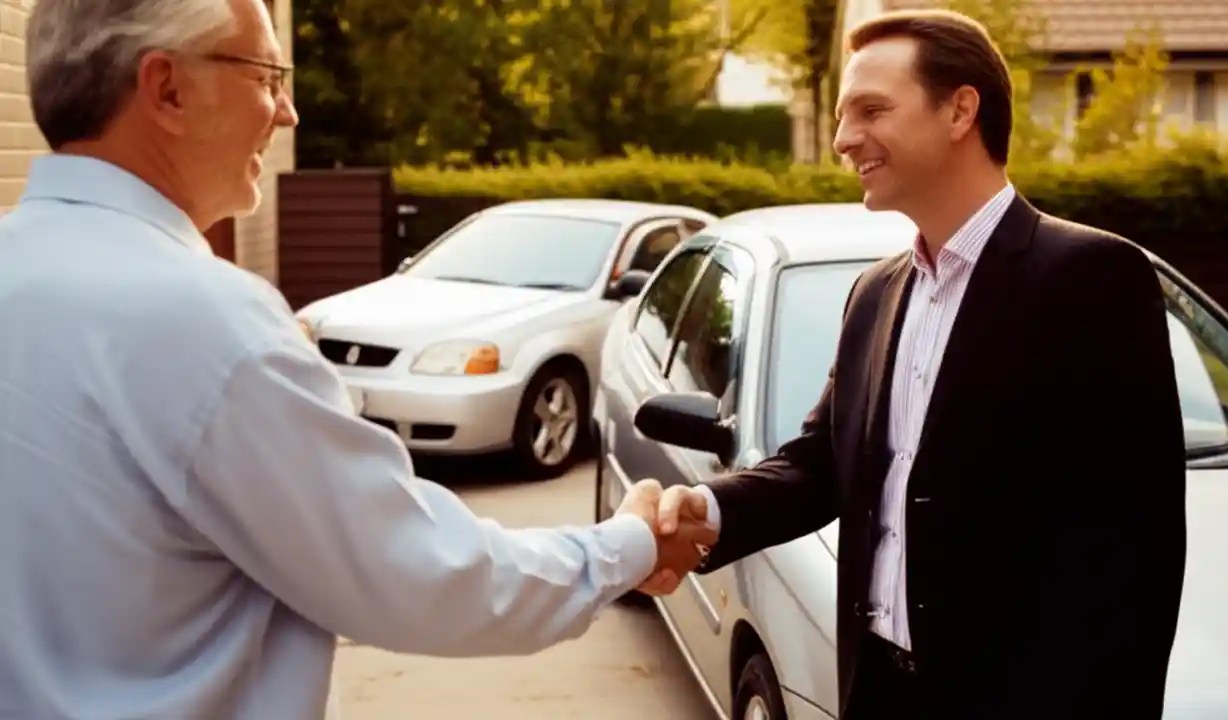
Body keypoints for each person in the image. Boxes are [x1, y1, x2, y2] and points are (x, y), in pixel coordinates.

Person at [0, 1, 713, 718]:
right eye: (266, 75)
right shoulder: (201, 317)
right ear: (167, 89)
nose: (288, 114)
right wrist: (626, 549)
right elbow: (418, 575)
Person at [647, 9, 1186, 719]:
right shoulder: (874, 294)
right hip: (880, 691)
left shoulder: (1092, 277)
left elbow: (1138, 550)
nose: (843, 140)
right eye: (842, 116)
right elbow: (822, 465)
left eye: (872, 110)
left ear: (962, 109)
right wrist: (710, 509)